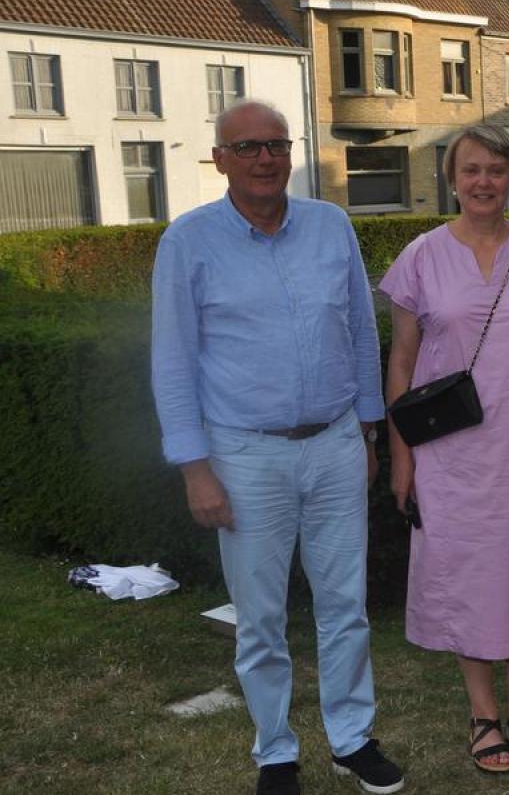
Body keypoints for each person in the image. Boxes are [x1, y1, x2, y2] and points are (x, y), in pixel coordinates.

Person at [150, 101, 404, 795]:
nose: (265, 158)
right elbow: (173, 361)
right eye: (248, 147)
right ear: (220, 159)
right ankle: (276, 751)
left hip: (335, 443)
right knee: (260, 616)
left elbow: (360, 331)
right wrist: (195, 469)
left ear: (291, 153)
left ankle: (352, 738)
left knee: (345, 604)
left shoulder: (330, 225)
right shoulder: (189, 242)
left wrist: (368, 428)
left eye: (276, 145)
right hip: (244, 455)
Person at [381, 124, 509, 773]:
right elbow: (401, 364)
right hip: (450, 457)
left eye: (496, 170)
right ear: (452, 179)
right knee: (468, 575)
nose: (483, 182)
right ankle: (483, 714)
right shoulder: (419, 258)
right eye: (471, 169)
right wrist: (402, 456)